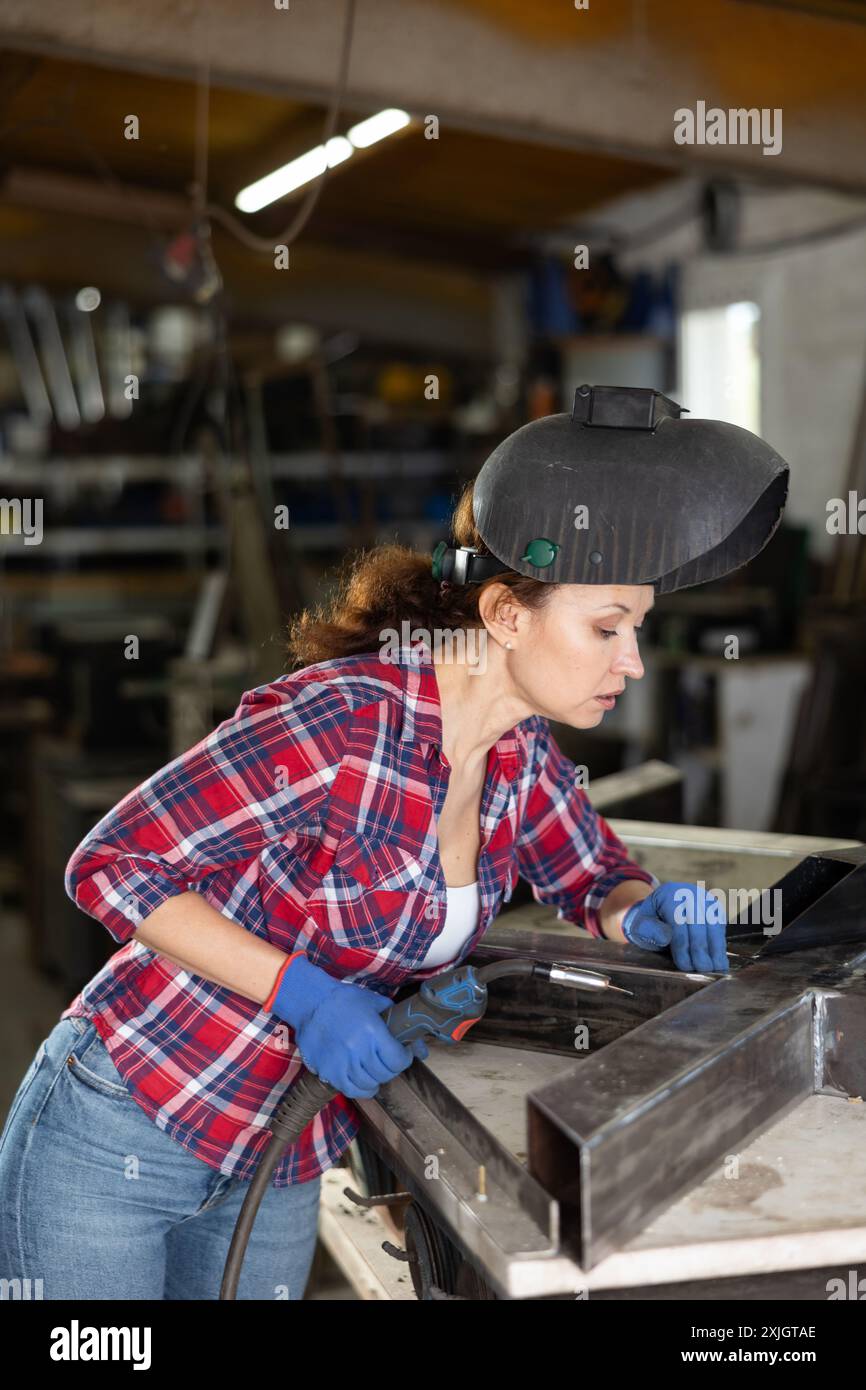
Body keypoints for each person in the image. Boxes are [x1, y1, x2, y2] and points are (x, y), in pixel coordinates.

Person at [0, 385, 789, 1300]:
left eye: (637, 631)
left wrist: (639, 907)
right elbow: (114, 863)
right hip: (123, 1126)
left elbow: (591, 873)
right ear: (505, 614)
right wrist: (303, 994)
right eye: (607, 629)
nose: (634, 662)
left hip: (281, 1156)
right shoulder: (339, 719)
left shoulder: (520, 751)